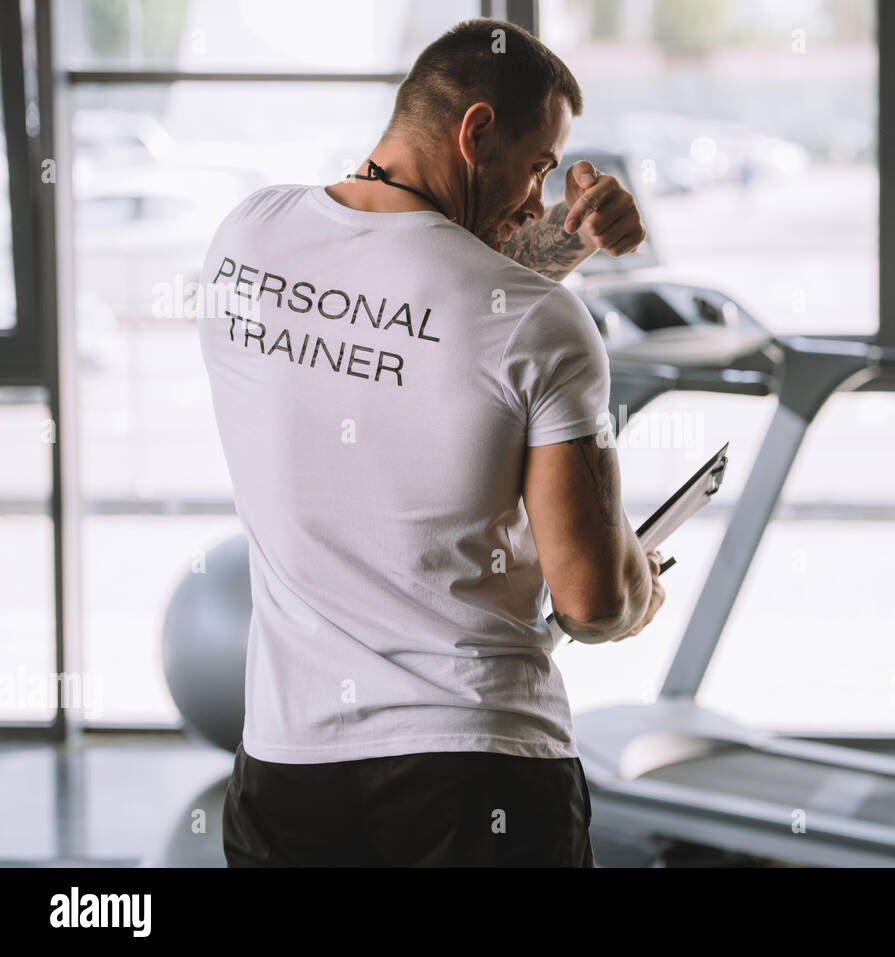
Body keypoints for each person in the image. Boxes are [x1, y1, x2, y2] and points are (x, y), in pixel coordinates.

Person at [200, 17, 665, 867]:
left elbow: (431, 305)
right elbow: (594, 603)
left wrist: (566, 236)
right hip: (480, 773)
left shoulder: (245, 241)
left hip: (288, 771)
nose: (536, 198)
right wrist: (640, 586)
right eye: (535, 167)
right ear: (475, 131)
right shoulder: (546, 323)